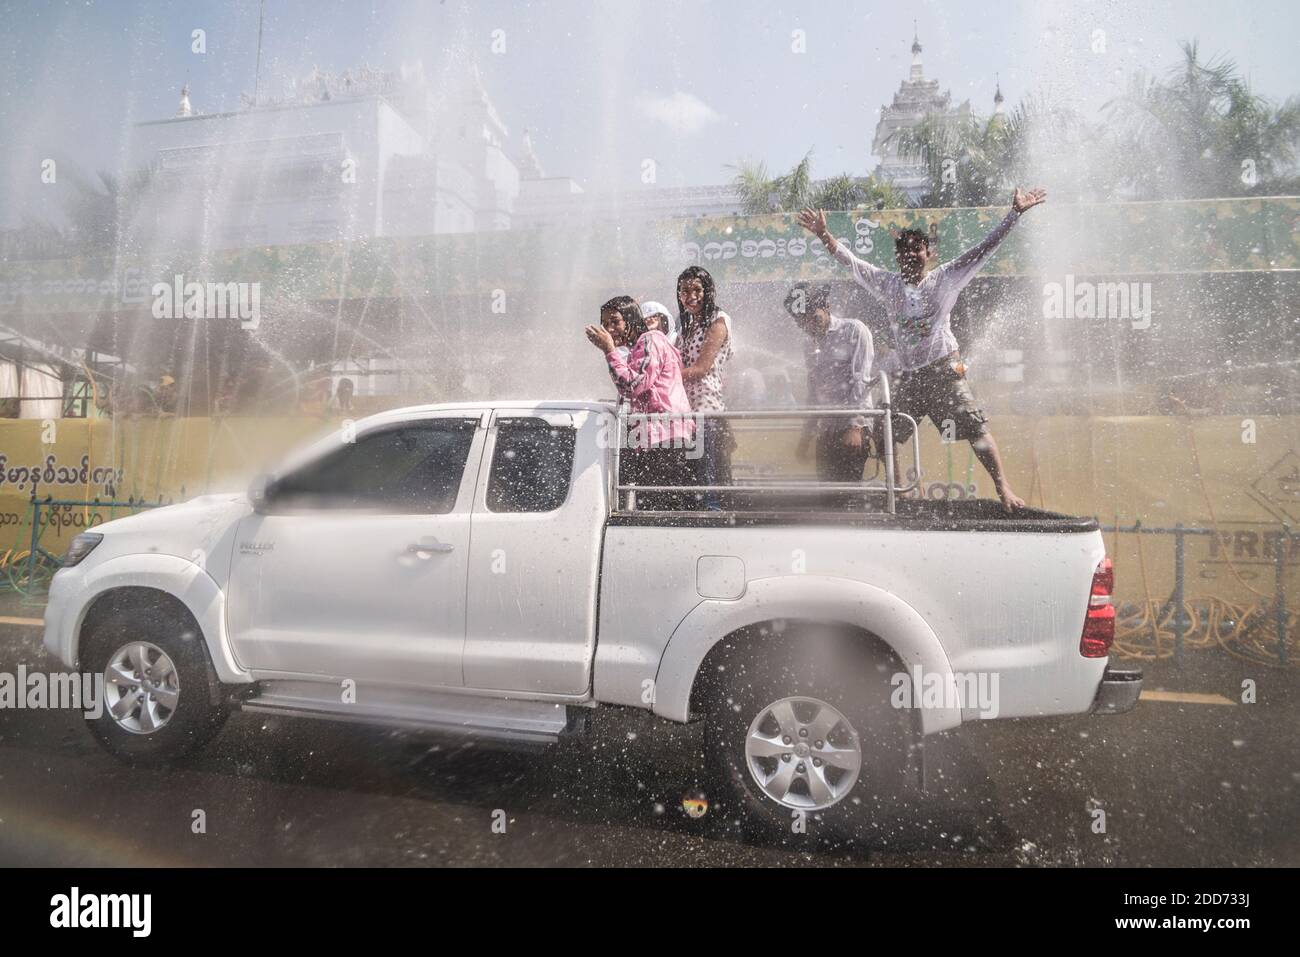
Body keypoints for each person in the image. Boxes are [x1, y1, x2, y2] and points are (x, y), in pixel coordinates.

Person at [799, 187, 1047, 511]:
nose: (911, 254)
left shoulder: (946, 277)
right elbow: (853, 263)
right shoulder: (888, 283)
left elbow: (983, 249)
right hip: (910, 375)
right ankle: (901, 492)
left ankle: (1004, 490)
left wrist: (1014, 214)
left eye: (918, 249)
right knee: (886, 432)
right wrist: (824, 236)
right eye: (905, 250)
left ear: (928, 252)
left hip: (946, 366)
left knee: (975, 426)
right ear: (898, 256)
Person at [585, 296, 695, 508]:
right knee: (652, 504)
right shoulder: (640, 346)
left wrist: (609, 350)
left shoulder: (650, 339)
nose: (610, 329)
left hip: (665, 436)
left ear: (631, 319)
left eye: (615, 322)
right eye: (605, 324)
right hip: (658, 436)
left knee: (659, 508)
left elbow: (633, 386)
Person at [785, 282, 875, 484]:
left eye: (814, 318)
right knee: (825, 490)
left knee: (849, 491)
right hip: (826, 427)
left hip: (851, 425)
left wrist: (855, 426)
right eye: (802, 322)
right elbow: (813, 392)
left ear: (827, 306)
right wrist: (806, 435)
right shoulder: (808, 344)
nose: (809, 325)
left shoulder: (854, 330)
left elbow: (861, 380)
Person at [676, 266, 735, 510]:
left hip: (707, 409)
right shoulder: (688, 325)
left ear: (708, 291)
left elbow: (700, 369)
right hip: (686, 408)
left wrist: (663, 379)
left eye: (697, 289)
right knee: (692, 468)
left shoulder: (718, 322)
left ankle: (714, 512)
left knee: (707, 470)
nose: (691, 296)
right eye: (685, 290)